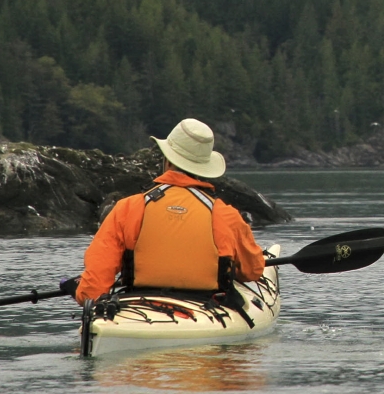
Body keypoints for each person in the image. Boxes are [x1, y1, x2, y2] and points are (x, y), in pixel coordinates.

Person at [74, 118, 267, 304]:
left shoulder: (128, 208)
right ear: (203, 168)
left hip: (137, 305)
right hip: (205, 307)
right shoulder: (226, 215)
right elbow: (252, 271)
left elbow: (93, 288)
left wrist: (82, 292)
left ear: (167, 161)